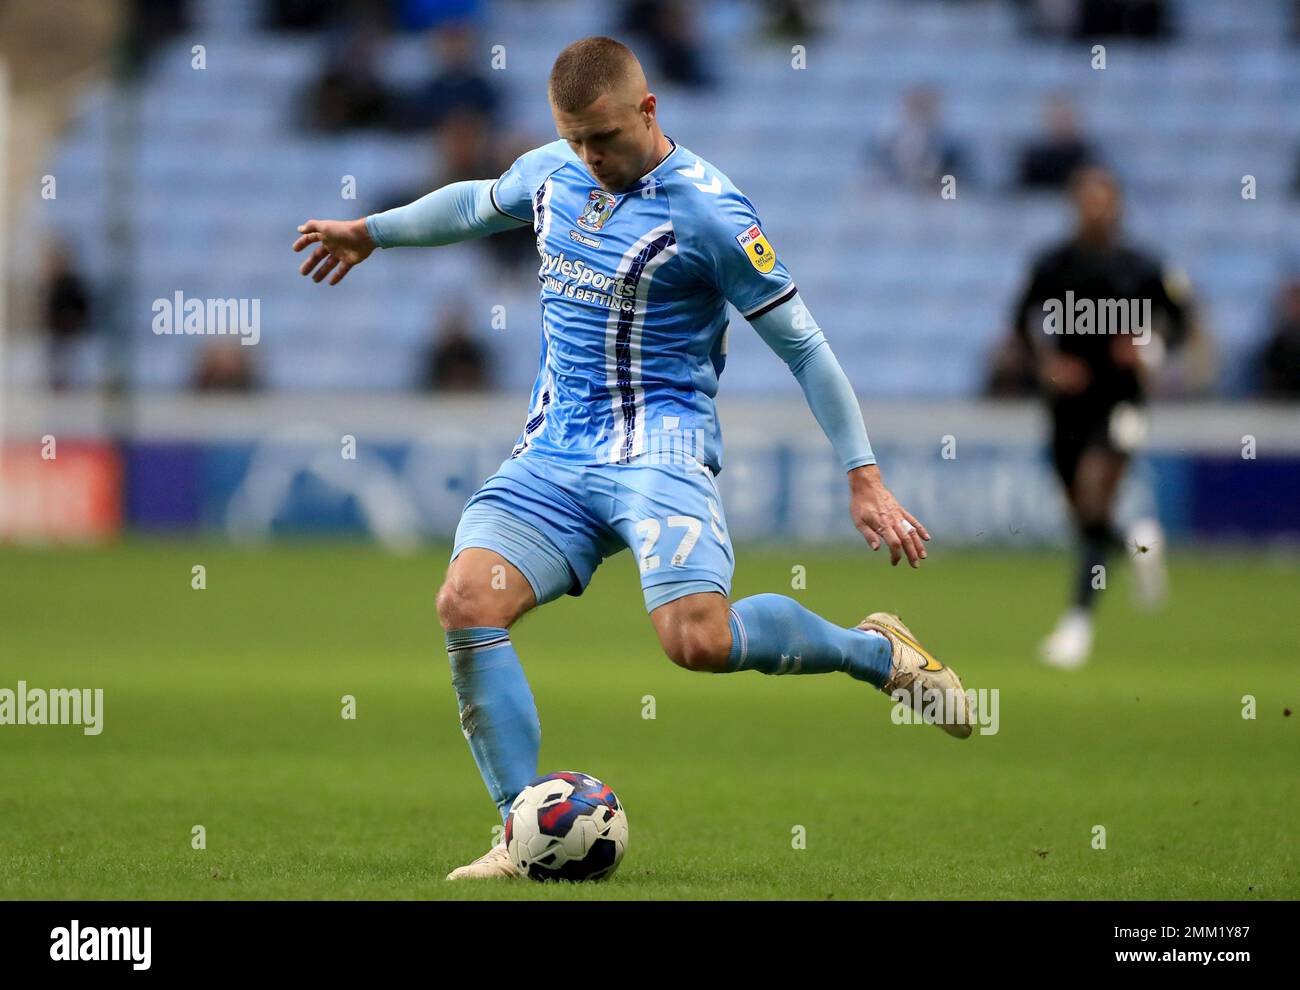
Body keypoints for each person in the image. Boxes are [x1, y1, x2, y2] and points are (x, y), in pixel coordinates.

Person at [293, 37, 972, 880]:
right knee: (467, 601)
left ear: (648, 112)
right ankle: (519, 831)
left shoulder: (712, 212)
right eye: (574, 139)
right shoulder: (555, 170)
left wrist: (863, 476)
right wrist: (371, 233)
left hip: (662, 450)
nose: (589, 157)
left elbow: (803, 346)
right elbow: (476, 204)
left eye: (604, 139)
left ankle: (875, 653)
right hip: (554, 453)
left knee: (695, 642)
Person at [1006, 166, 1191, 669]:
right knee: (1084, 514)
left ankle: (1076, 625)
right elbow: (1020, 323)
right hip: (1067, 405)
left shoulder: (1142, 267)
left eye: (1103, 199)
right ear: (1074, 204)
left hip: (1121, 401)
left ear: (1118, 205)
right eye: (1086, 199)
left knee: (1093, 493)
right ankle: (1135, 540)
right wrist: (1048, 365)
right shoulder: (1053, 264)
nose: (1095, 208)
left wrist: (1149, 349)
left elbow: (1182, 321)